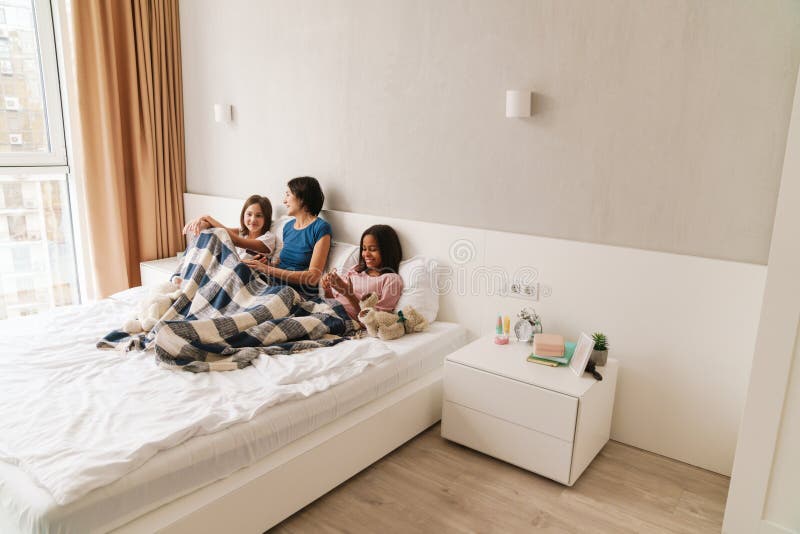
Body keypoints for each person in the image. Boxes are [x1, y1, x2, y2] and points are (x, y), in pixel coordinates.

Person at [244, 176, 331, 298]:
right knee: (239, 270)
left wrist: (267, 269)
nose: (284, 201)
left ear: (302, 198)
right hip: (274, 284)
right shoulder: (288, 227)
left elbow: (313, 276)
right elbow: (282, 265)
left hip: (296, 293)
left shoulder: (320, 228)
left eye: (288, 195)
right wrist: (268, 264)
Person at [321, 224, 404, 321]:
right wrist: (327, 290)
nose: (366, 254)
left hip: (343, 320)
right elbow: (333, 300)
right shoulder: (355, 269)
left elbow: (375, 321)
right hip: (327, 309)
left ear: (387, 251)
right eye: (364, 249)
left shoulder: (390, 279)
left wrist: (349, 294)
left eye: (373, 249)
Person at [183, 194, 276, 261]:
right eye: (249, 214)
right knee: (209, 234)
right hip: (231, 268)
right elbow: (217, 229)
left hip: (245, 276)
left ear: (266, 218)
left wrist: (208, 217)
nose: (253, 219)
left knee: (217, 235)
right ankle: (181, 273)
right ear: (243, 215)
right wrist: (202, 223)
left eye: (259, 215)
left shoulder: (268, 239)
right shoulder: (242, 232)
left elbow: (236, 241)